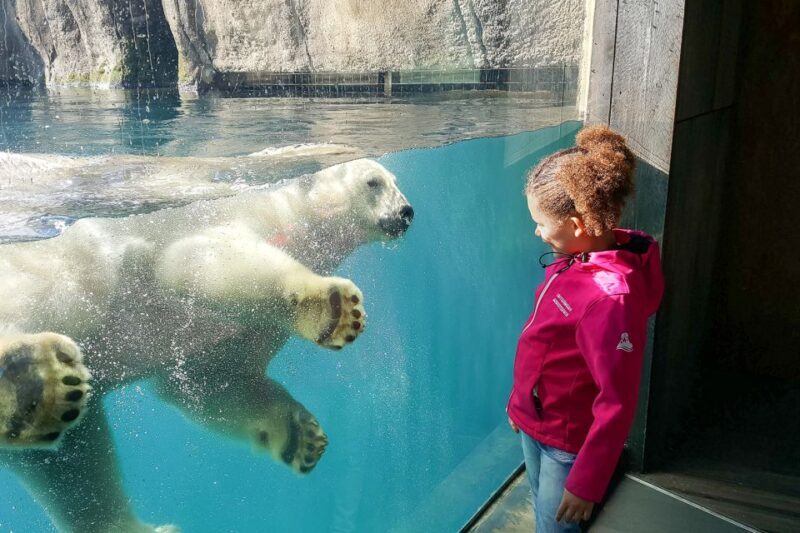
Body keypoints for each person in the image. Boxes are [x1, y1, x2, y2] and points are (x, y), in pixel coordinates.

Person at [506, 124, 664, 532]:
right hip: (538, 419)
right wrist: (520, 404)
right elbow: (541, 342)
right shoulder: (578, 259)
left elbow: (617, 400)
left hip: (568, 442)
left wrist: (587, 482)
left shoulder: (610, 298)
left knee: (554, 524)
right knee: (544, 514)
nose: (536, 231)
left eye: (540, 222)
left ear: (576, 226)